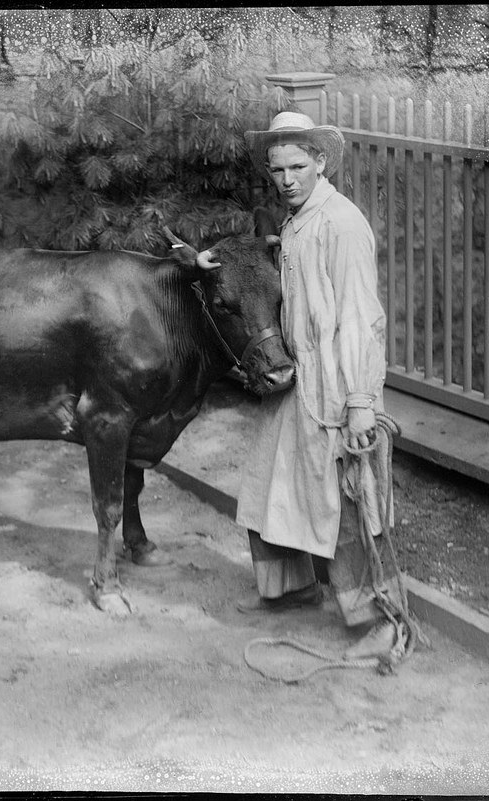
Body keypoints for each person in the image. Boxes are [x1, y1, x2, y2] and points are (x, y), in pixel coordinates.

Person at [198, 111, 402, 660]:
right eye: (277, 169)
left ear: (321, 164)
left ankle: (380, 623)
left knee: (346, 504)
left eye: (297, 167)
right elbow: (255, 261)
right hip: (293, 379)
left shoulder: (341, 225)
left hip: (337, 387)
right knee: (267, 484)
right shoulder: (294, 220)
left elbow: (362, 318)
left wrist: (360, 403)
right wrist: (203, 262)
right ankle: (290, 590)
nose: (287, 179)